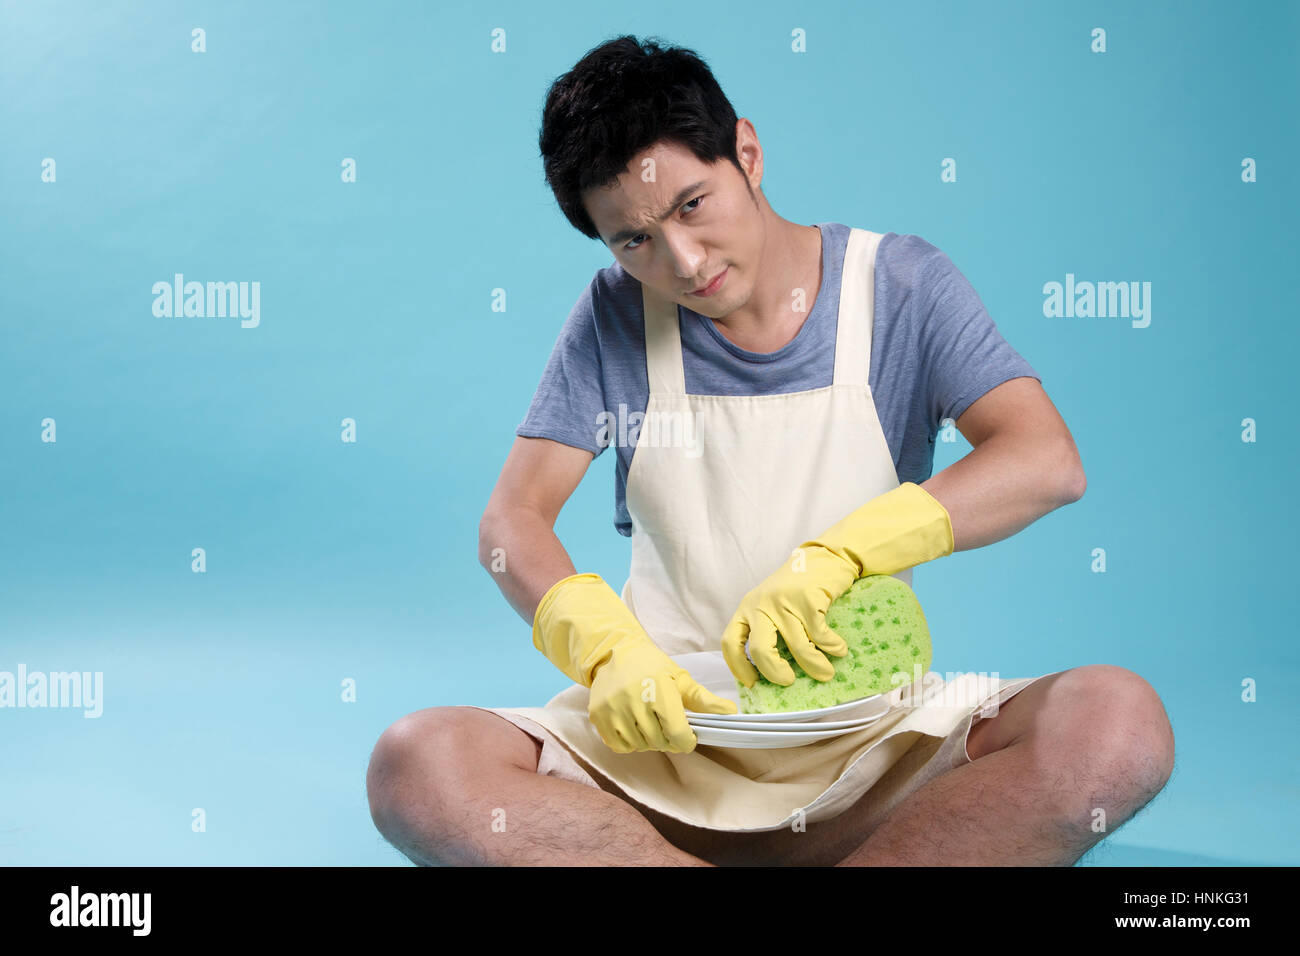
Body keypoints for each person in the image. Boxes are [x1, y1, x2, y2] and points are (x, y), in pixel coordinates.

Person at [365, 35, 1175, 867]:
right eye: (632, 241)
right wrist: (604, 647)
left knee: (1119, 723)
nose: (682, 262)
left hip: (875, 746)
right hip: (664, 747)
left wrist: (842, 554)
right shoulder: (615, 315)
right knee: (417, 762)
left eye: (690, 205)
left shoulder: (897, 288)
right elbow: (511, 521)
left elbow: (1046, 460)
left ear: (746, 153)